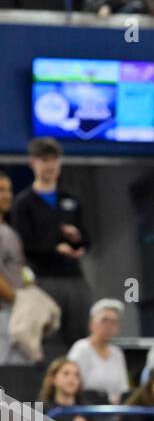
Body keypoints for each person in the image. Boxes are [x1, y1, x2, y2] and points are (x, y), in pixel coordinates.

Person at [10, 137, 92, 358]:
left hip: (74, 277)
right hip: (42, 278)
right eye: (43, 160)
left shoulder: (71, 200)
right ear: (33, 163)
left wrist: (76, 240)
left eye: (54, 159)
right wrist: (55, 249)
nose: (49, 165)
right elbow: (24, 245)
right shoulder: (23, 203)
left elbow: (87, 240)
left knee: (79, 336)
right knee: (47, 339)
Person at [68, 298, 129, 401]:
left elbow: (123, 388)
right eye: (104, 321)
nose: (109, 326)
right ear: (92, 324)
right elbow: (72, 384)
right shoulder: (81, 348)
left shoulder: (117, 353)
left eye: (113, 322)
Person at [0, 167, 31, 366]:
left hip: (15, 315)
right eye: (1, 190)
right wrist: (18, 303)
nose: (7, 196)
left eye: (9, 190)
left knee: (19, 377)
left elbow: (21, 272)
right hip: (3, 313)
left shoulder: (8, 231)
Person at [38, 355, 103, 421]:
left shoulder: (87, 409)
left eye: (76, 375)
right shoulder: (41, 408)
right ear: (53, 379)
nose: (72, 378)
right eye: (66, 374)